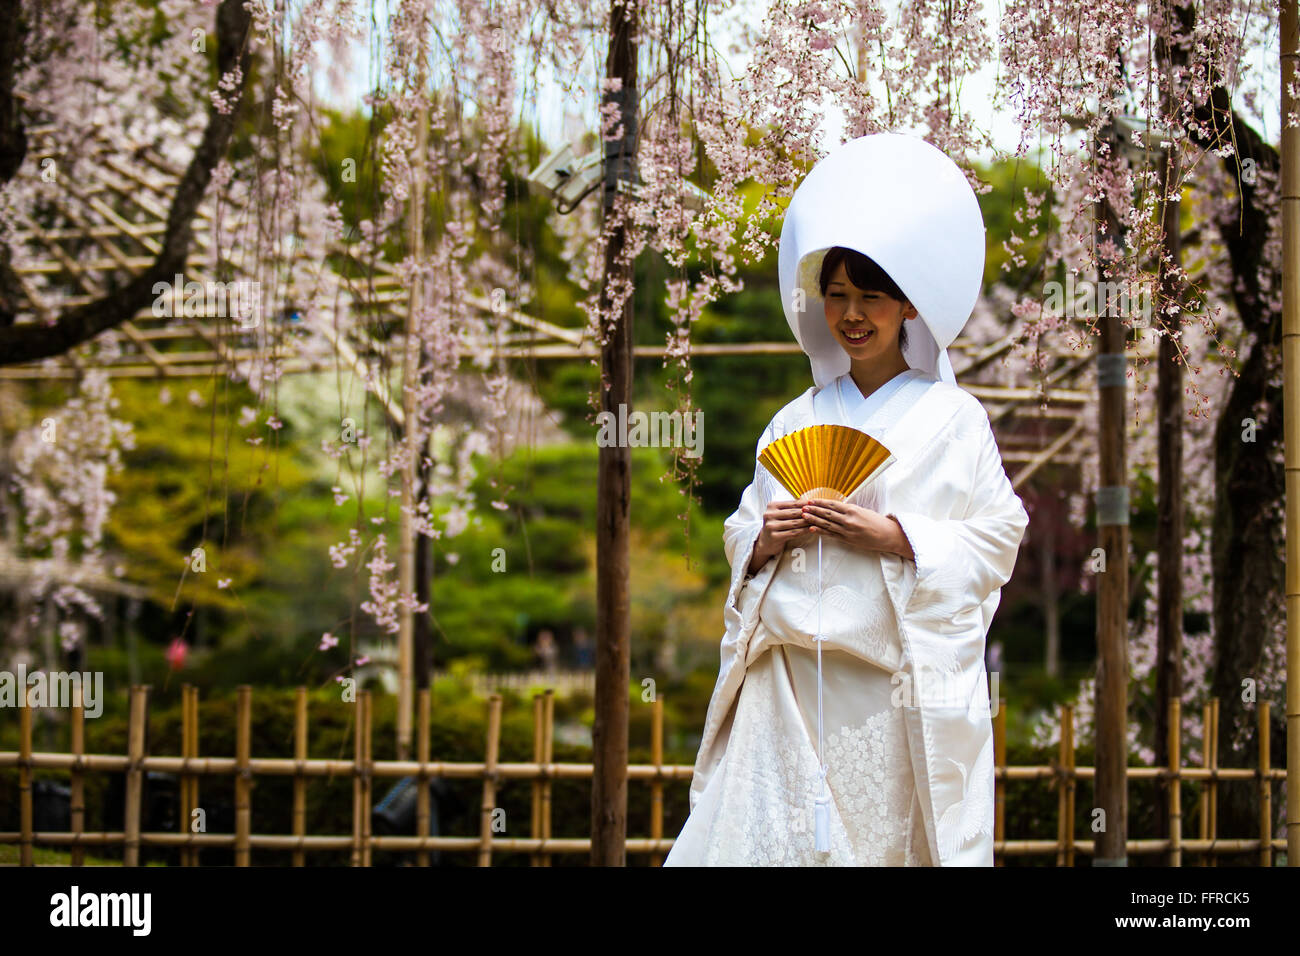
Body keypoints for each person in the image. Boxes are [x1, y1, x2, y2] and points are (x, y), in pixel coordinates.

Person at [664, 133, 1030, 867]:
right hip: (788, 687)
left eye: (871, 297)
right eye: (837, 296)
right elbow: (740, 533)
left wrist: (895, 535)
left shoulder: (954, 421)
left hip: (889, 696)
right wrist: (768, 537)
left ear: (907, 307)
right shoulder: (794, 420)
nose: (852, 314)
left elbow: (998, 536)